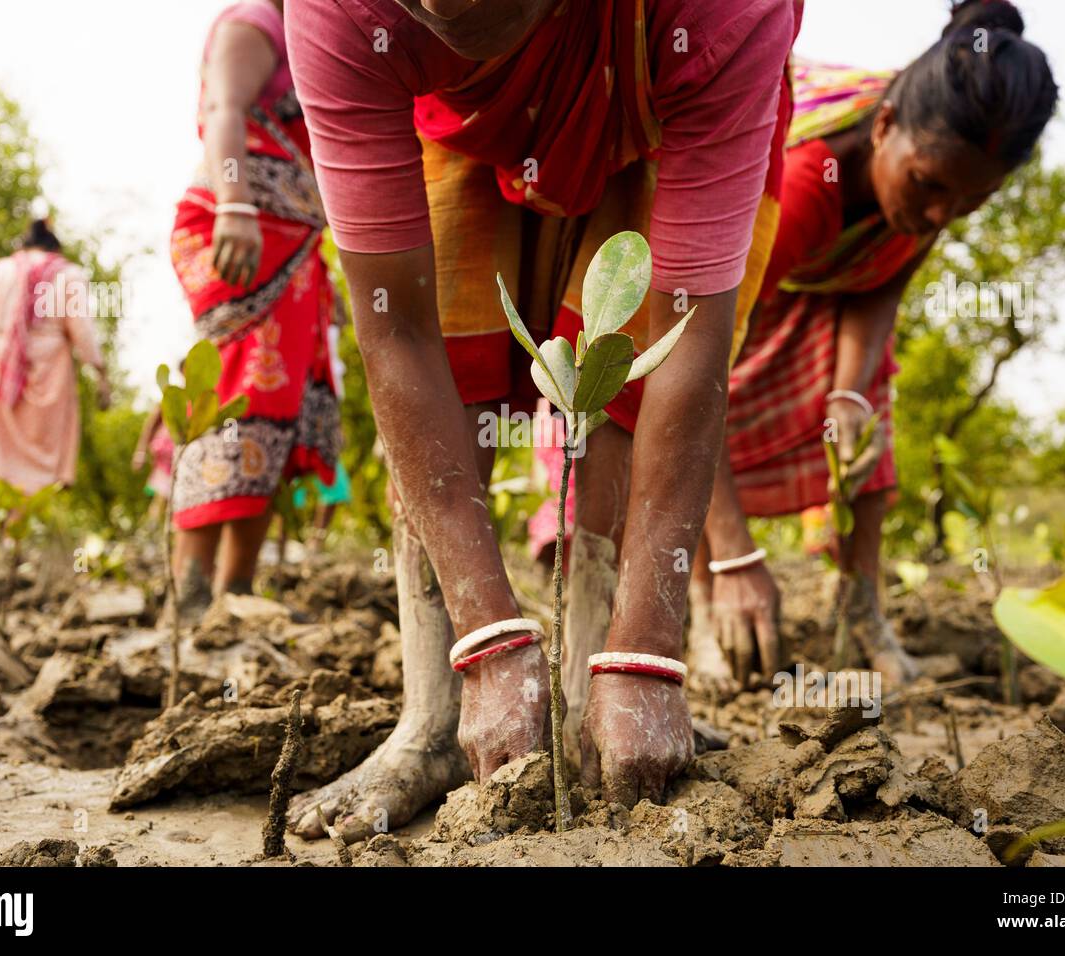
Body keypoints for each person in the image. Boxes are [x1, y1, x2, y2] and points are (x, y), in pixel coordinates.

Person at [284, 0, 798, 840]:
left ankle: (600, 704)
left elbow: (684, 337)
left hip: (659, 119)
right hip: (457, 133)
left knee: (623, 368)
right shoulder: (339, 15)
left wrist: (647, 653)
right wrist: (486, 638)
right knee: (454, 350)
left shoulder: (721, 15)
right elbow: (396, 326)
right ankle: (434, 723)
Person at [686, 0, 1058, 692]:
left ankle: (861, 606)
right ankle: (706, 603)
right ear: (883, 127)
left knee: (871, 398)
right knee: (708, 402)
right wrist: (738, 556)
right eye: (929, 187)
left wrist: (848, 391)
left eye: (971, 202)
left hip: (806, 280)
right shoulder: (804, 182)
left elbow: (878, 284)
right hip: (721, 278)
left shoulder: (937, 177)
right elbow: (692, 369)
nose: (942, 216)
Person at [168, 0, 342, 614]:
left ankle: (235, 591)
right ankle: (191, 591)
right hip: (245, 233)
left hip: (292, 249)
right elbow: (225, 110)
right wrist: (235, 205)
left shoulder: (302, 28)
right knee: (232, 399)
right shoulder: (255, 20)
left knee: (278, 409)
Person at [0, 218, 111, 498]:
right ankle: (19, 526)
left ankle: (8, 530)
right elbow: (82, 330)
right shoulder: (69, 275)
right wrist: (100, 372)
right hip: (50, 377)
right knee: (38, 464)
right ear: (55, 248)